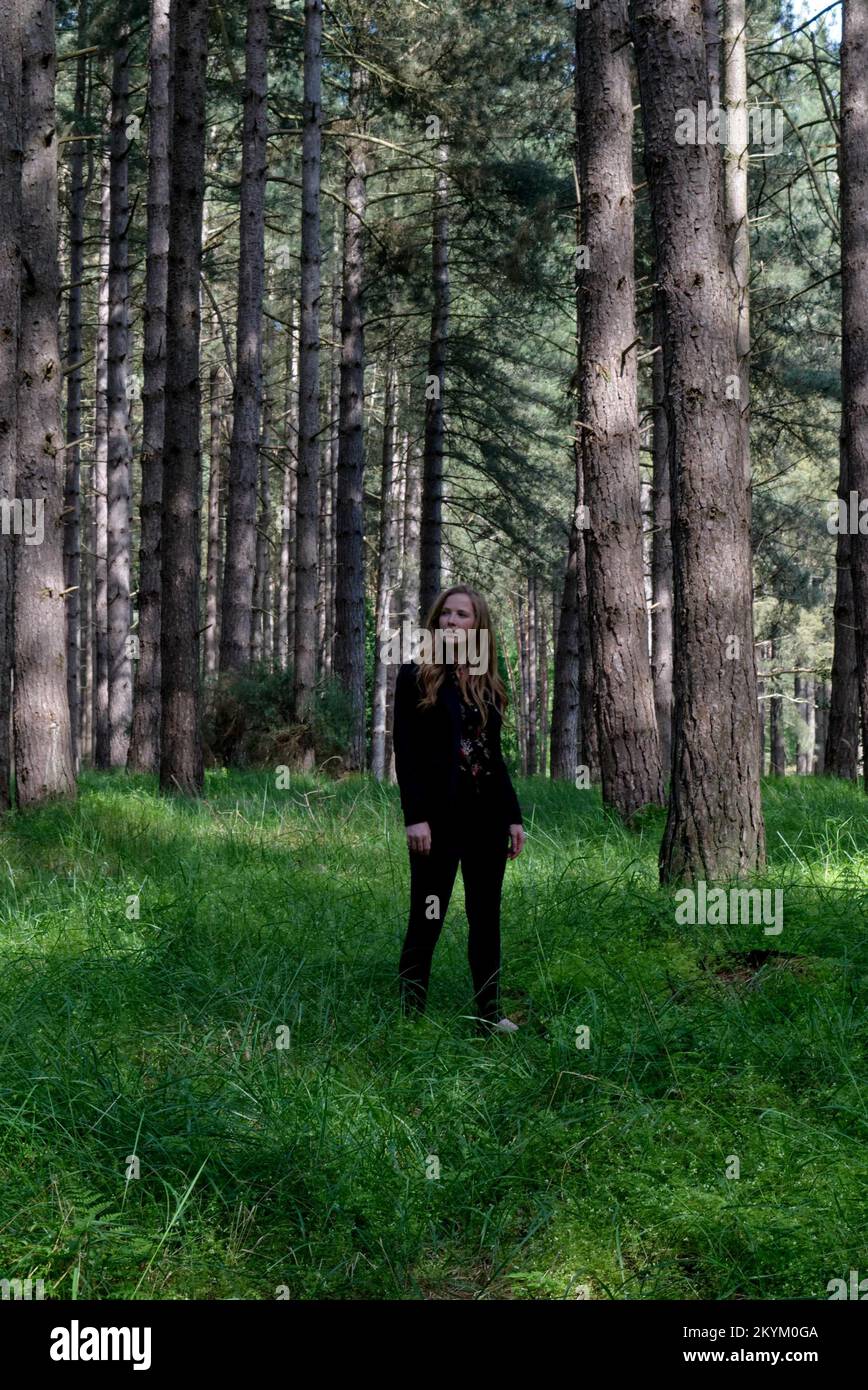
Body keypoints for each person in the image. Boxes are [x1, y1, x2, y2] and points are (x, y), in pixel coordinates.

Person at [392, 585, 526, 1034]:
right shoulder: (414, 675)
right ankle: (411, 1014)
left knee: (485, 917)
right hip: (437, 821)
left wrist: (512, 816)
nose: (451, 621)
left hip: (485, 819)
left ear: (477, 625)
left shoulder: (487, 681)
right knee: (428, 913)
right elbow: (405, 754)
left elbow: (493, 755)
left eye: (462, 614)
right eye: (445, 613)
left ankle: (490, 1014)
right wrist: (414, 817)